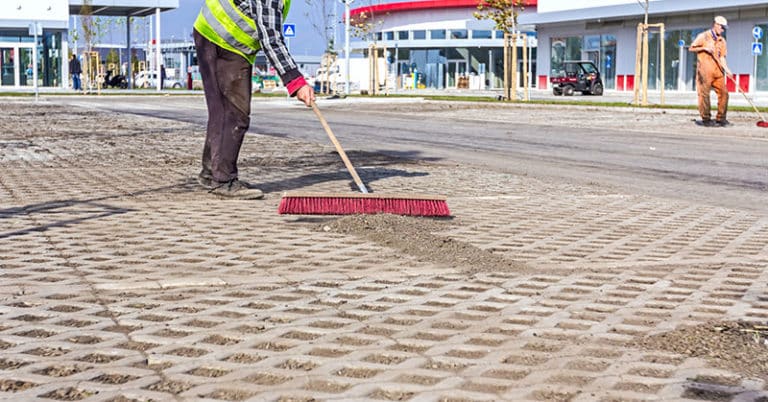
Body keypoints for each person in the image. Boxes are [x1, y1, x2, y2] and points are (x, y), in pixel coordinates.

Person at [193, 0, 315, 199]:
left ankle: (211, 172)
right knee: (234, 114)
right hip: (222, 42)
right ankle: (223, 180)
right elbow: (271, 39)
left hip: (218, 38)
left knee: (221, 112)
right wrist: (295, 82)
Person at [689, 16, 732, 127]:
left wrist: (727, 70)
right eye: (722, 27)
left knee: (724, 94)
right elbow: (691, 48)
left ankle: (721, 118)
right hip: (705, 72)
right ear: (716, 25)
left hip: (718, 71)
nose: (723, 30)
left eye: (724, 28)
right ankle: (706, 119)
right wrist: (704, 48)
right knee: (704, 95)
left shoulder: (722, 41)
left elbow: (722, 57)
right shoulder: (703, 36)